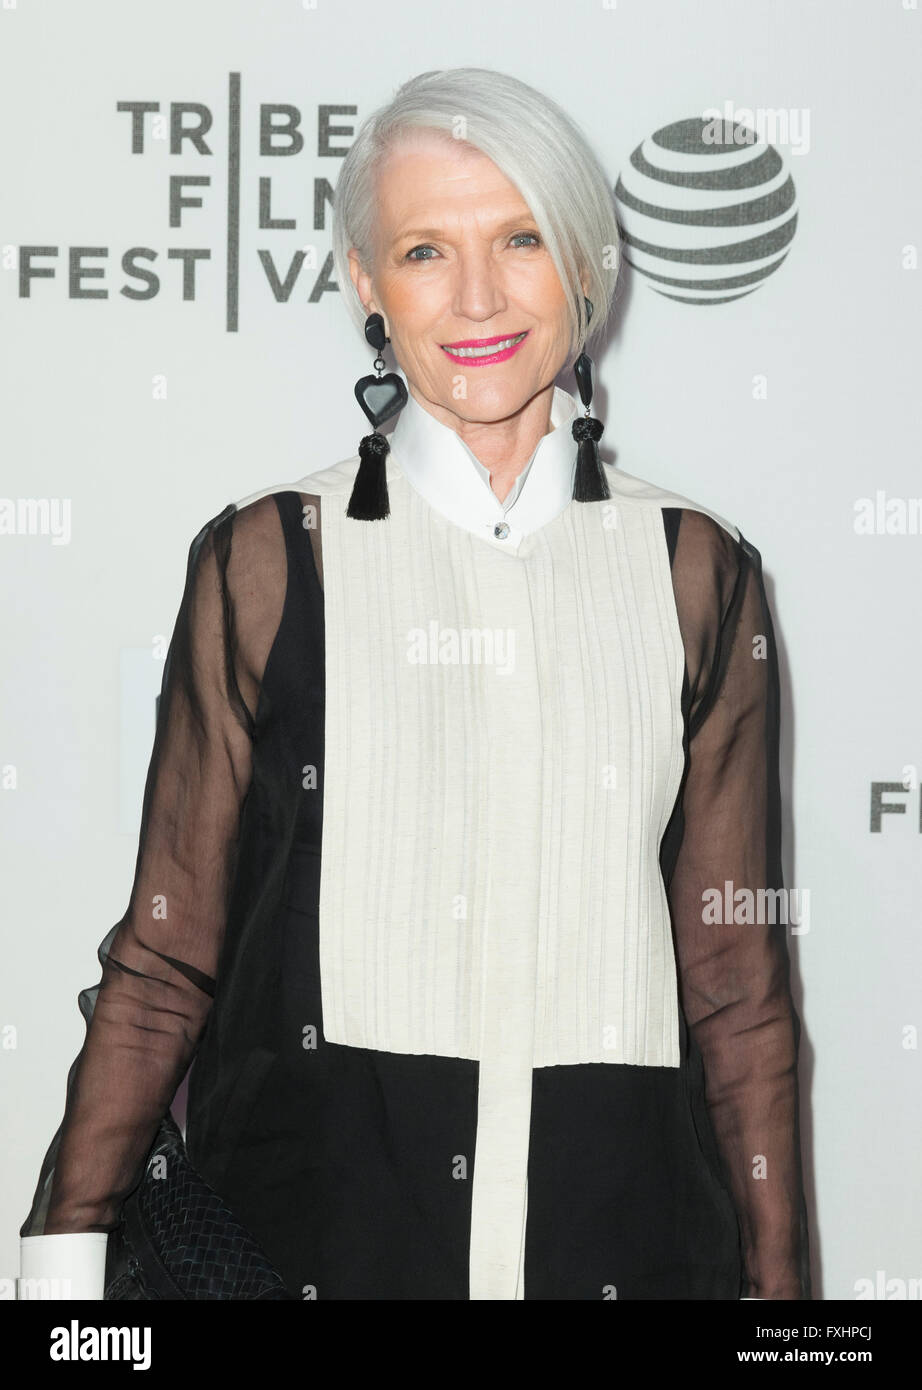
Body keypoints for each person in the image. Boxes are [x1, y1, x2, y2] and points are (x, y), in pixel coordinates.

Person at [19, 66, 811, 1300]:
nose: (479, 297)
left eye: (522, 240)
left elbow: (737, 989)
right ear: (363, 280)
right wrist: (63, 1249)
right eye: (427, 249)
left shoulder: (694, 574)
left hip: (624, 1244)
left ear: (587, 263)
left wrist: (786, 1308)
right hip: (309, 1245)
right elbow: (169, 952)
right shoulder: (269, 561)